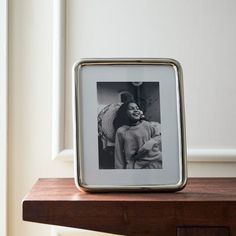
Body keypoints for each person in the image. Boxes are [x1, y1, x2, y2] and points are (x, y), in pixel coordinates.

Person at [113, 101, 162, 169]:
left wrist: (149, 144)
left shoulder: (146, 125)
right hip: (135, 167)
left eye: (137, 108)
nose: (136, 110)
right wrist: (120, 173)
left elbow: (158, 136)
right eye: (131, 108)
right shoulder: (121, 131)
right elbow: (119, 155)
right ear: (125, 113)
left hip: (155, 161)